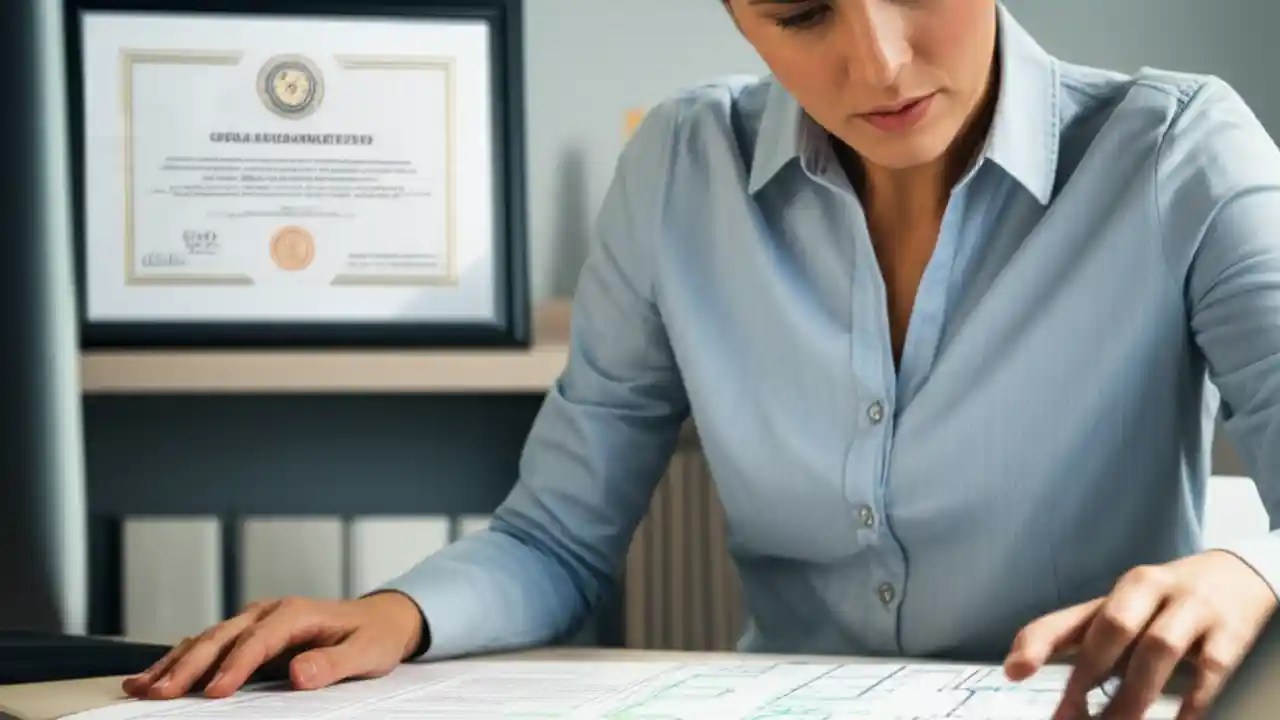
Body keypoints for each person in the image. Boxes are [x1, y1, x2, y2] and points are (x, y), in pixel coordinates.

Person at [122, 1, 1280, 718]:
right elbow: (555, 539)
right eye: (799, 12)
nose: (878, 61)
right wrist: (394, 615)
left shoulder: (1183, 154)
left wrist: (1247, 574)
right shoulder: (681, 167)